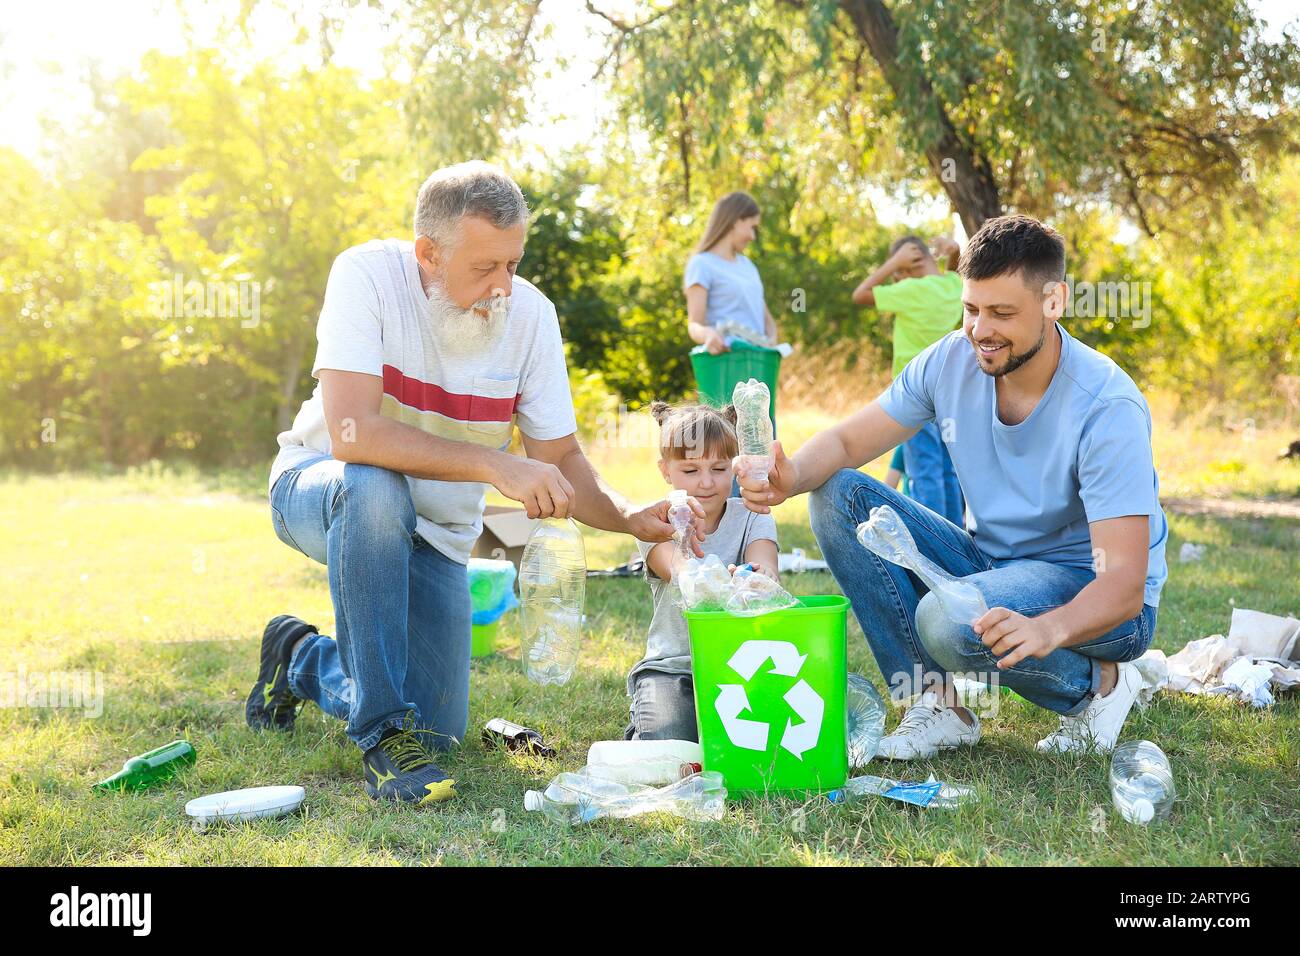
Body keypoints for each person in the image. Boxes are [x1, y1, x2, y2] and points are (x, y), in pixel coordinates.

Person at [248, 161, 704, 805]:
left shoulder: (531, 318)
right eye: (483, 269)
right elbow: (353, 433)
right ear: (428, 254)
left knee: (436, 734)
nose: (503, 287)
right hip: (321, 491)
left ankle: (300, 658)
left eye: (513, 265)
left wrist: (630, 516)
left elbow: (560, 456)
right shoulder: (365, 276)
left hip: (435, 534)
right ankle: (379, 735)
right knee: (377, 488)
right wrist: (495, 464)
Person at [738, 214, 1168, 759]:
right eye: (971, 309)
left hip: (1094, 593)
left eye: (1002, 313)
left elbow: (1125, 583)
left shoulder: (1107, 406)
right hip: (995, 565)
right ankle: (938, 702)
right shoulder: (950, 361)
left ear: (1054, 301)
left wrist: (1049, 630)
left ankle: (1102, 687)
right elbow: (849, 443)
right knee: (838, 493)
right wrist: (790, 476)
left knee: (948, 623)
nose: (980, 330)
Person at [626, 401, 779, 742]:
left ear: (736, 467)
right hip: (674, 667)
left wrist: (759, 576)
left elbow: (765, 564)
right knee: (674, 747)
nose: (706, 483)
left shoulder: (754, 515)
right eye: (691, 471)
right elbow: (678, 569)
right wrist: (708, 574)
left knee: (761, 738)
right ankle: (645, 732)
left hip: (744, 665)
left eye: (720, 469)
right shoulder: (656, 522)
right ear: (666, 471)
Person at [853, 235, 964, 525]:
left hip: (914, 394)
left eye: (898, 273)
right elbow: (952, 272)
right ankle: (956, 541)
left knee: (924, 470)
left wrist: (892, 263)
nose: (895, 279)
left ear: (907, 264)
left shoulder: (911, 291)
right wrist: (955, 253)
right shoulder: (953, 288)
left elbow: (861, 294)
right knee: (949, 470)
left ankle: (934, 546)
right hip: (950, 391)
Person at [685, 191, 778, 355]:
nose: (752, 236)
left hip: (757, 363)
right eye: (752, 227)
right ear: (735, 221)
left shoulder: (748, 266)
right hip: (728, 363)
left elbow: (765, 319)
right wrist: (708, 334)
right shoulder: (702, 264)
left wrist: (772, 341)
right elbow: (694, 325)